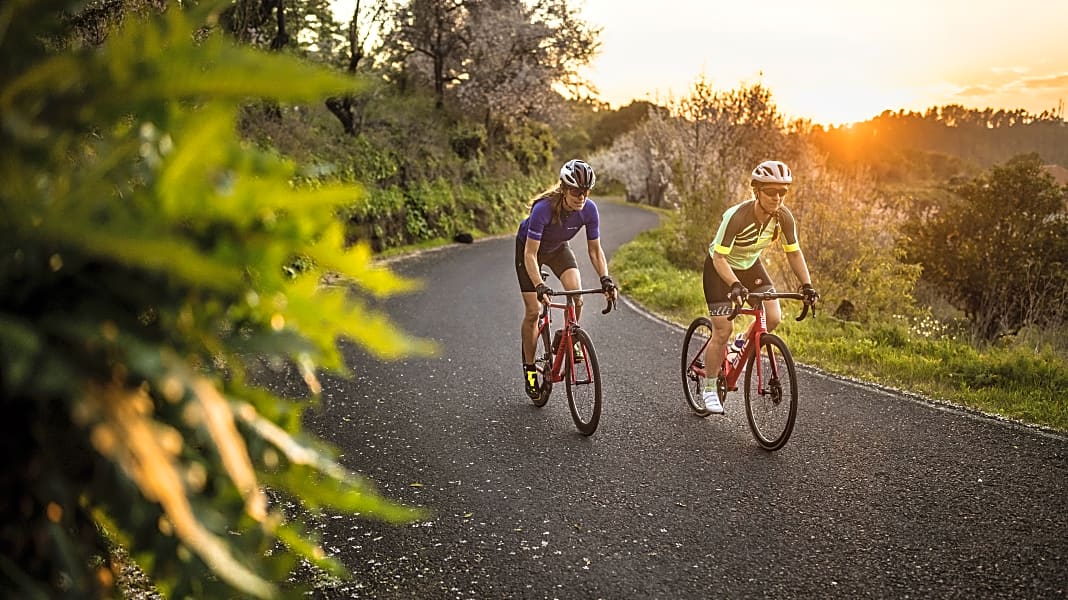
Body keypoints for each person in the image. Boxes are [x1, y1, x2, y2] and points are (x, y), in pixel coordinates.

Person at [701, 159, 819, 413]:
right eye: (771, 191)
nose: (777, 197)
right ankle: (709, 388)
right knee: (722, 330)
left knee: (773, 317)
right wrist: (733, 284)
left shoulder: (784, 217)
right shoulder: (737, 216)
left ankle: (740, 344)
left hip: (750, 266)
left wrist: (807, 285)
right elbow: (719, 257)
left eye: (783, 192)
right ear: (756, 190)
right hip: (720, 268)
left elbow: (794, 253)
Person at [516, 159, 618, 399]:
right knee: (533, 310)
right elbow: (530, 254)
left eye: (585, 192)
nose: (581, 197)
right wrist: (539, 286)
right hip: (530, 250)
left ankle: (567, 336)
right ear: (564, 189)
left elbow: (595, 250)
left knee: (577, 294)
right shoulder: (543, 209)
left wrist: (605, 279)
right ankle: (530, 371)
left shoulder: (590, 210)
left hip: (558, 249)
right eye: (575, 191)